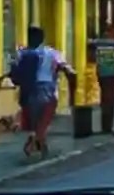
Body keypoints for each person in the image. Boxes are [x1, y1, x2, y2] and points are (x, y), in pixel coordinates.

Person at [9, 26, 74, 160]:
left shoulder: (21, 53)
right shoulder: (51, 53)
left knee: (34, 120)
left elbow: (13, 71)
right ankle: (34, 142)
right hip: (47, 90)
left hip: (27, 91)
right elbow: (66, 68)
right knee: (44, 120)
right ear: (42, 39)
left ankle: (40, 144)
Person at [88, 26, 114, 133]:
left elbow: (90, 53)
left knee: (105, 99)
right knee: (111, 100)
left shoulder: (97, 43)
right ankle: (108, 126)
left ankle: (105, 124)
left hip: (103, 75)